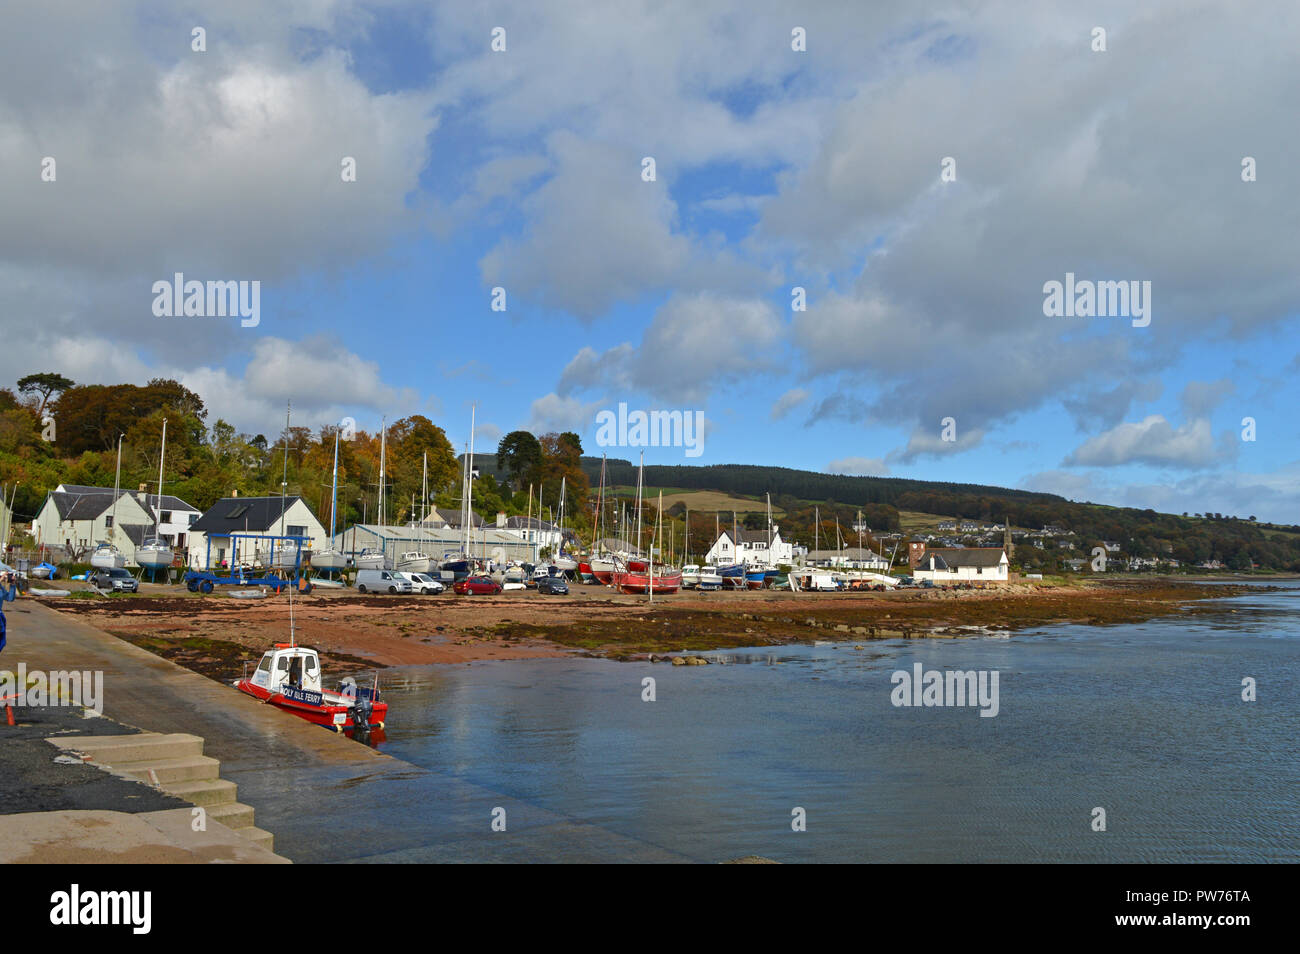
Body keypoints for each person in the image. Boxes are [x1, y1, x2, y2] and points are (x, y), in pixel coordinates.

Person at [0, 570, 18, 655]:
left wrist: (13, 584)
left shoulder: (1, 588)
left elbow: (10, 598)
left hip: (0, 617)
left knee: (2, 642)